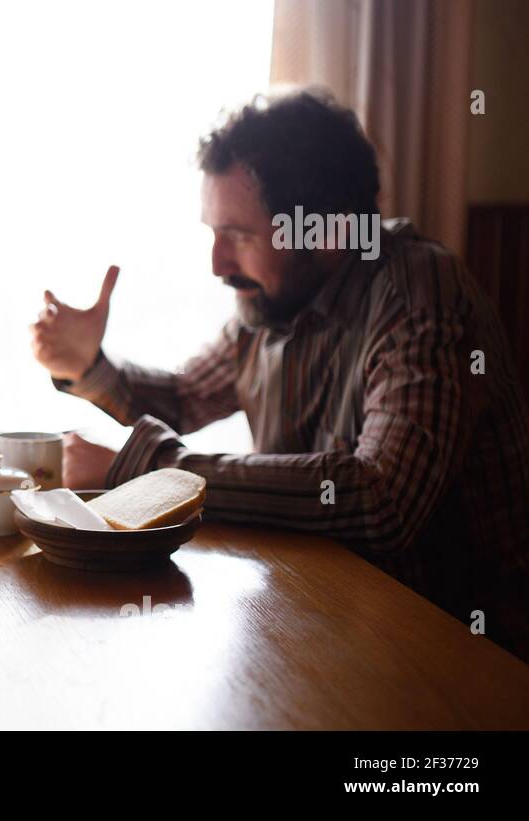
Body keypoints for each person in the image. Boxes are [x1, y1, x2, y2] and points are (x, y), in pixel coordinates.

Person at [32, 89, 529, 661]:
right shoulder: (269, 303)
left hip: (464, 658)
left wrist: (148, 471)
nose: (217, 264)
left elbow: (382, 501)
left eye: (240, 235)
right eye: (214, 233)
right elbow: (185, 398)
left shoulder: (419, 290)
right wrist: (88, 366)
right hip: (328, 624)